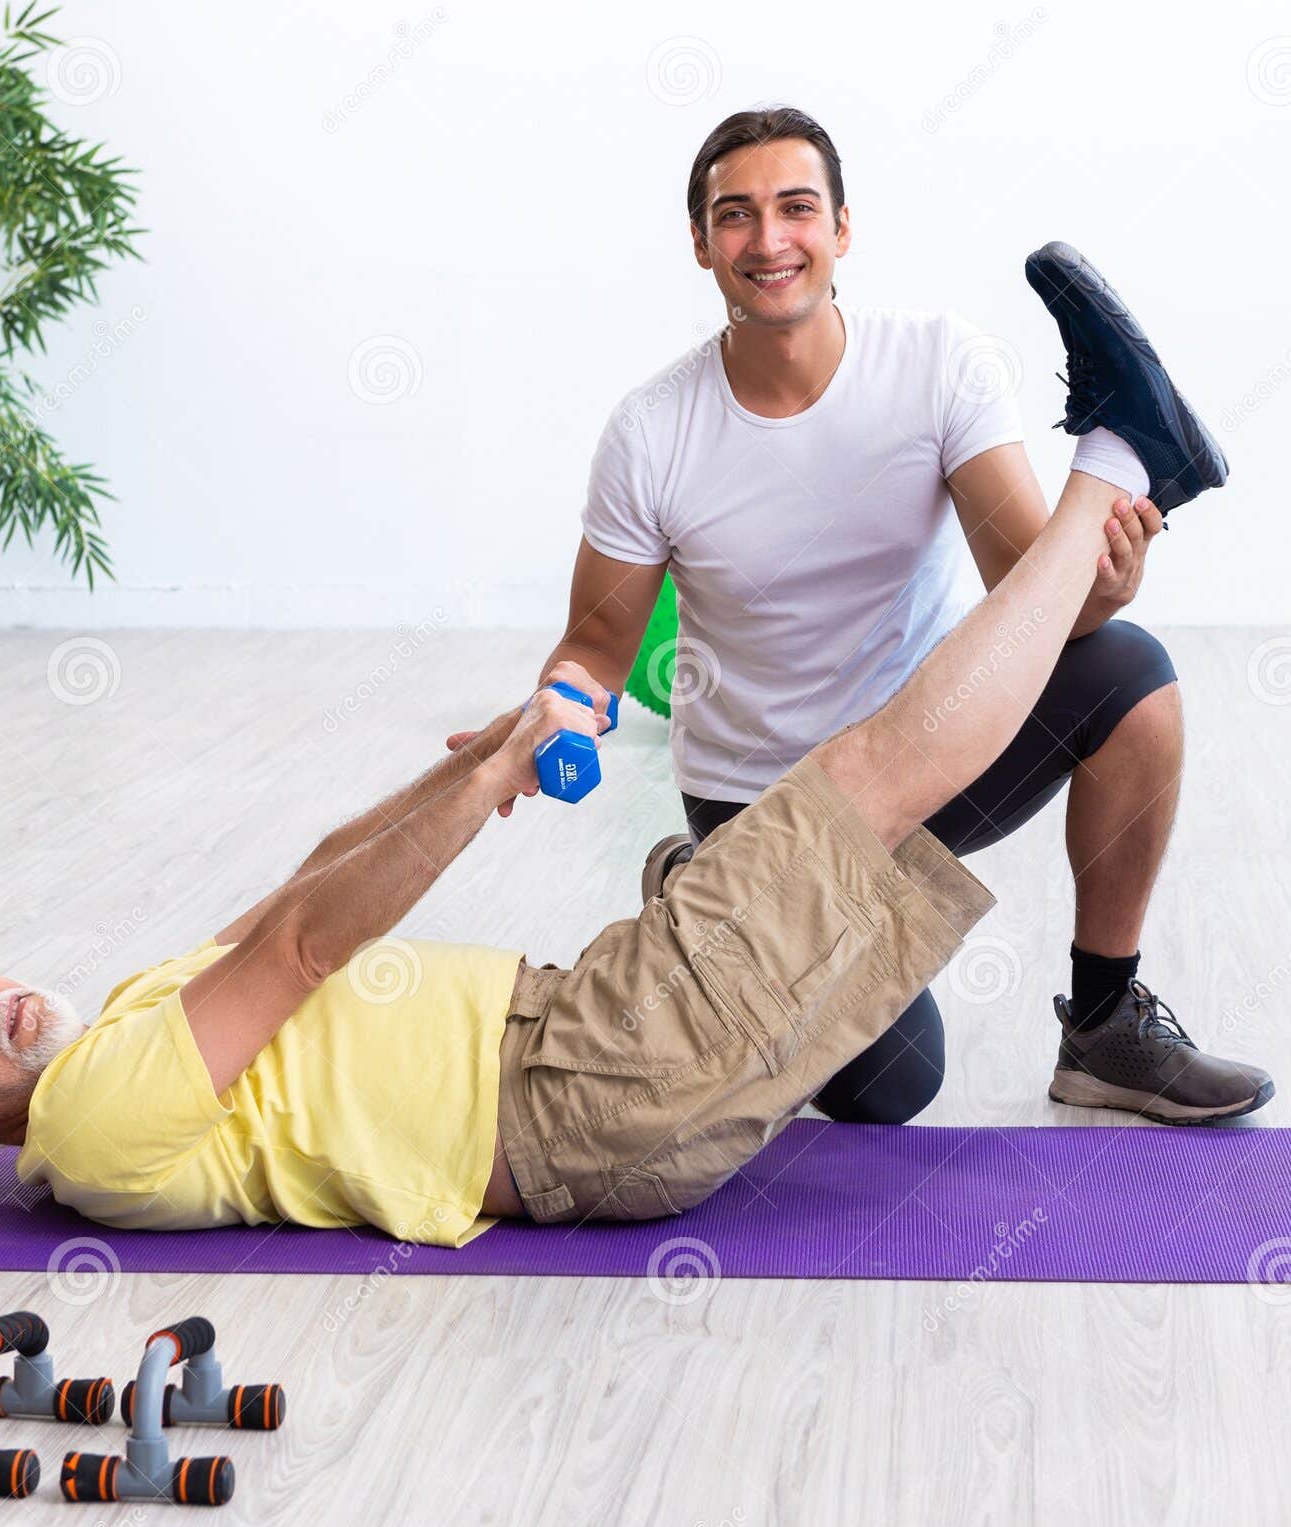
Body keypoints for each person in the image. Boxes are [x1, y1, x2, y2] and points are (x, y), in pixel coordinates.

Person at [0, 243, 1272, 1249]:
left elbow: (297, 890)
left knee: (878, 835)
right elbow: (306, 950)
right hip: (584, 1091)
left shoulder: (119, 1026)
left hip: (580, 1042)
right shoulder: (88, 1117)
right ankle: (1126, 454)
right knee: (865, 784)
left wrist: (480, 754)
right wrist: (489, 788)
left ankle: (932, 944)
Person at [489, 104, 1270, 1126]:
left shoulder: (938, 365)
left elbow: (1035, 596)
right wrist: (560, 705)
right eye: (735, 215)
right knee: (891, 1086)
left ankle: (1104, 1026)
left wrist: (1104, 587)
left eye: (795, 208)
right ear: (701, 244)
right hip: (757, 806)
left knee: (1128, 670)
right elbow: (598, 645)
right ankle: (695, 882)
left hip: (932, 754)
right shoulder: (652, 432)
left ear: (842, 228)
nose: (768, 239)